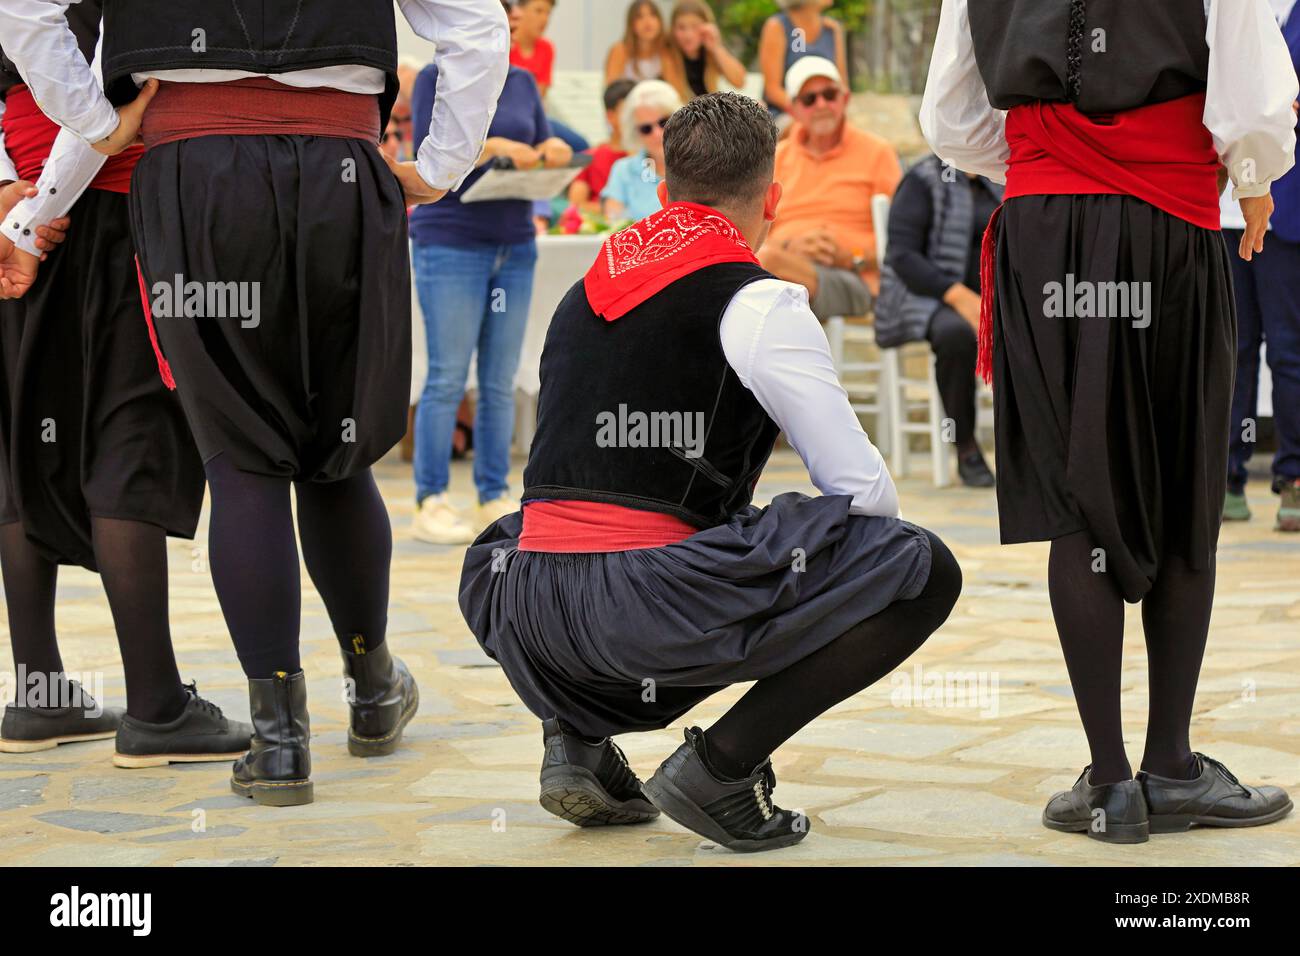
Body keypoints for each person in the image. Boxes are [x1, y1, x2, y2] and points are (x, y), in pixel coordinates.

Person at [0, 0, 511, 807]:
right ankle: (372, 685)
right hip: (341, 159)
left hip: (192, 168)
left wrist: (94, 121)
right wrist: (443, 164)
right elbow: (478, 23)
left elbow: (24, 10)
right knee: (334, 446)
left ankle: (279, 743)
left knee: (242, 457)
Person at [460, 92, 961, 853]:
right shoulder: (759, 302)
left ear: (663, 194)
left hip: (522, 605)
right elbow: (866, 496)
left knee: (589, 528)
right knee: (920, 567)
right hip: (637, 615)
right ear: (773, 198)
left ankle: (577, 743)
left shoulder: (581, 290)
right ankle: (721, 768)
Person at [922, 0, 1297, 842]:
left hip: (1043, 229)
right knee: (1184, 481)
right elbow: (1253, 94)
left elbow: (951, 119)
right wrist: (1254, 178)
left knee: (1074, 496)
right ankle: (1170, 764)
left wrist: (1059, 160)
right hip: (1169, 218)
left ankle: (1110, 781)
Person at [0, 10, 249, 766]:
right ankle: (156, 704)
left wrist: (8, 191)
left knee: (20, 434)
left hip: (21, 203)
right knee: (132, 430)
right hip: (110, 203)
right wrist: (34, 208)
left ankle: (38, 690)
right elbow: (108, 93)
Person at [411, 0, 573, 546]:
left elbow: (549, 140)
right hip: (452, 241)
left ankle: (492, 492)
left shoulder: (525, 81)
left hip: (514, 242)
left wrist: (551, 148)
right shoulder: (435, 77)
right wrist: (491, 147)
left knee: (501, 381)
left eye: (514, 13)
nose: (510, 19)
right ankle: (430, 497)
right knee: (447, 377)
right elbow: (425, 153)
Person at [876, 156, 1001, 487]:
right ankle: (966, 447)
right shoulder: (923, 179)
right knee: (955, 335)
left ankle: (1033, 450)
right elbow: (903, 255)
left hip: (994, 299)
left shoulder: (1001, 177)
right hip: (930, 295)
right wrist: (957, 295)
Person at [1222, 0, 1300, 532]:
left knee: (1290, 352)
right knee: (1231, 351)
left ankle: (1293, 478)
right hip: (1220, 210)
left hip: (1288, 211)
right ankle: (1225, 477)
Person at [759, 57, 901, 321]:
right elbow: (755, 232)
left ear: (845, 99)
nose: (821, 105)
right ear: (793, 110)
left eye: (829, 94)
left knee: (763, 270)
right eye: (809, 99)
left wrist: (852, 257)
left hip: (854, 278)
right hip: (783, 268)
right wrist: (791, 247)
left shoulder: (877, 152)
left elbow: (901, 236)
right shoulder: (776, 157)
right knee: (763, 270)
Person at [509, 0, 589, 155]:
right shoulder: (507, 45)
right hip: (507, 115)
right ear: (519, 11)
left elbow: (538, 97)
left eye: (548, 13)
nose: (544, 19)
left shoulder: (546, 48)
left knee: (581, 146)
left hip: (535, 117)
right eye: (538, 11)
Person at [602, 80, 683, 222]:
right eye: (646, 129)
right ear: (635, 133)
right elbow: (613, 223)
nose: (657, 133)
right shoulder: (624, 170)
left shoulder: (699, 165)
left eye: (664, 122)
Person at [759, 0, 848, 121]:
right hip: (785, 113)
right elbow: (772, 90)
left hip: (826, 111)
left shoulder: (832, 29)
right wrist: (808, 111)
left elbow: (842, 85)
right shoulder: (777, 26)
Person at [567, 79, 635, 213]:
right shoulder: (589, 157)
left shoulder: (651, 158)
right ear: (610, 116)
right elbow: (575, 207)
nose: (635, 118)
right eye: (628, 111)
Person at [666, 0, 748, 100]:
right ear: (672, 29)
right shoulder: (667, 52)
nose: (688, 35)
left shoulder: (711, 51)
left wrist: (716, 47)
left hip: (707, 110)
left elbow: (740, 81)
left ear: (707, 26)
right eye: (681, 27)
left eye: (695, 26)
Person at [605, 0, 684, 90]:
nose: (647, 21)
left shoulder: (666, 51)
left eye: (653, 15)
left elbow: (676, 92)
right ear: (631, 24)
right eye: (639, 17)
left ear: (660, 21)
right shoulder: (620, 50)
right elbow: (611, 93)